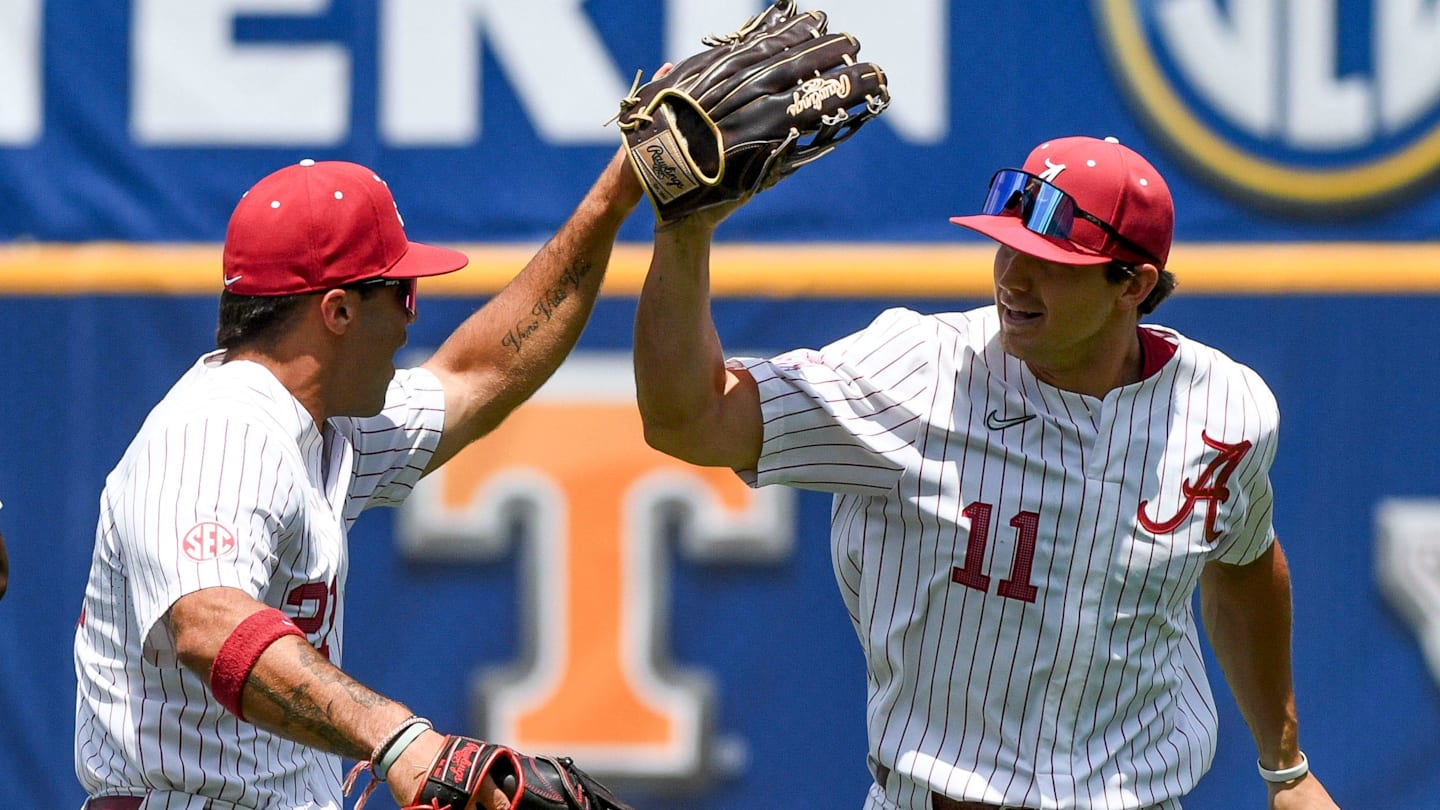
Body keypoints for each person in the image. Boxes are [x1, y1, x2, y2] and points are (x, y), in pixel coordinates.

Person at [631, 135, 1341, 810]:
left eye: (1053, 262)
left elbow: (1244, 565)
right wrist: (685, 236)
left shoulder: (1227, 407)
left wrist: (1287, 768)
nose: (1013, 277)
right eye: (1006, 244)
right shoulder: (921, 372)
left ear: (1135, 285)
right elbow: (688, 419)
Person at [73, 151, 641, 809]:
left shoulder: (323, 424)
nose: (412, 317)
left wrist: (614, 197)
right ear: (338, 312)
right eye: (401, 292)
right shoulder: (219, 429)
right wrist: (394, 737)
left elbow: (480, 374)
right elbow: (210, 623)